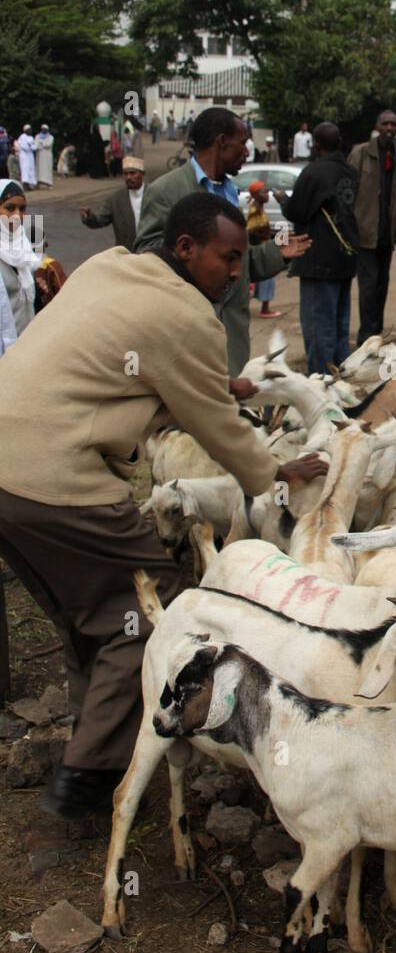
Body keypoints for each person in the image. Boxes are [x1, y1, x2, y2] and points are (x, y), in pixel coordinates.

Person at [0, 191, 327, 819]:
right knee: (149, 608)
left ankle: (97, 729)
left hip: (8, 474)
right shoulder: (188, 317)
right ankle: (86, 782)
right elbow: (216, 427)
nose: (236, 272)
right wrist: (274, 471)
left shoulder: (109, 265)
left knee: (88, 612)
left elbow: (131, 369)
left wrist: (215, 385)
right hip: (56, 479)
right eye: (227, 258)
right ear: (185, 248)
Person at [135, 106, 309, 377]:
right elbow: (146, 255)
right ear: (221, 141)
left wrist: (278, 254)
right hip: (188, 336)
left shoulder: (232, 191)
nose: (247, 151)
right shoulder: (166, 190)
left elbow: (237, 261)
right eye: (243, 143)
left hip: (233, 338)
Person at [276, 122, 360, 374]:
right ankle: (340, 382)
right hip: (346, 257)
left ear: (315, 145)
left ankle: (320, 384)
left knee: (318, 328)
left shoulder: (314, 172)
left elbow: (297, 212)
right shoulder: (351, 172)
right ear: (340, 141)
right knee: (339, 326)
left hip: (318, 260)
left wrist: (282, 199)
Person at [348, 110, 396, 345]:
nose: (389, 127)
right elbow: (346, 191)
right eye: (385, 123)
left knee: (381, 287)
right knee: (367, 288)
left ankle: (375, 335)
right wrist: (350, 227)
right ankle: (366, 337)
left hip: (386, 238)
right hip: (365, 235)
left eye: (393, 124)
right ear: (377, 125)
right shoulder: (361, 153)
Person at [0, 180, 42, 335]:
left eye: (22, 208)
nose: (17, 215)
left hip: (27, 341)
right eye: (10, 208)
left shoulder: (25, 241)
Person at [79, 157, 147, 247]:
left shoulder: (154, 194)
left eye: (132, 173)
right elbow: (101, 220)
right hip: (126, 252)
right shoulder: (116, 199)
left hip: (150, 252)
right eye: (125, 174)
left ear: (142, 174)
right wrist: (89, 218)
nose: (128, 177)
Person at [246, 179, 281, 319]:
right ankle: (265, 310)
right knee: (267, 278)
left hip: (263, 245)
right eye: (263, 192)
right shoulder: (255, 210)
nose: (267, 194)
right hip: (261, 248)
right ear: (255, 195)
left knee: (261, 280)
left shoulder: (259, 207)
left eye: (267, 191)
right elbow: (252, 230)